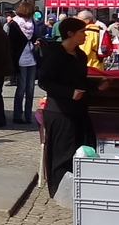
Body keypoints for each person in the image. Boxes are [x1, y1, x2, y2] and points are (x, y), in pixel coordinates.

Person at [38, 16, 99, 198]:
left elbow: (80, 81)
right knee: (63, 152)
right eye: (82, 32)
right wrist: (69, 93)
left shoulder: (80, 55)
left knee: (87, 146)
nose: (85, 36)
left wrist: (97, 86)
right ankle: (60, 191)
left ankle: (82, 187)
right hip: (59, 111)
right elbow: (45, 82)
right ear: (70, 33)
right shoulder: (55, 55)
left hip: (79, 110)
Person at [7, 0, 38, 125]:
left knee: (30, 88)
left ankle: (28, 115)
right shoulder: (14, 24)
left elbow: (36, 37)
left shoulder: (33, 23)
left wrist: (37, 41)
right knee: (21, 88)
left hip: (32, 58)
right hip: (20, 58)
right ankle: (17, 115)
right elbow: (11, 42)